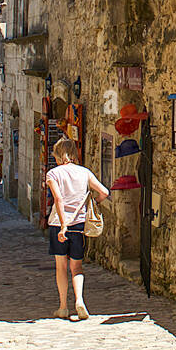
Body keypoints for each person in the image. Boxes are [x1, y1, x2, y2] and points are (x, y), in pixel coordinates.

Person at [45, 136, 109, 321]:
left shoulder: (53, 174)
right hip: (79, 224)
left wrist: (63, 224)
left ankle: (63, 306)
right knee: (77, 266)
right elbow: (104, 192)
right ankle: (80, 301)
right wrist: (91, 205)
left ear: (58, 155)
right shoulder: (84, 172)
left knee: (61, 267)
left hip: (58, 225)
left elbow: (58, 199)